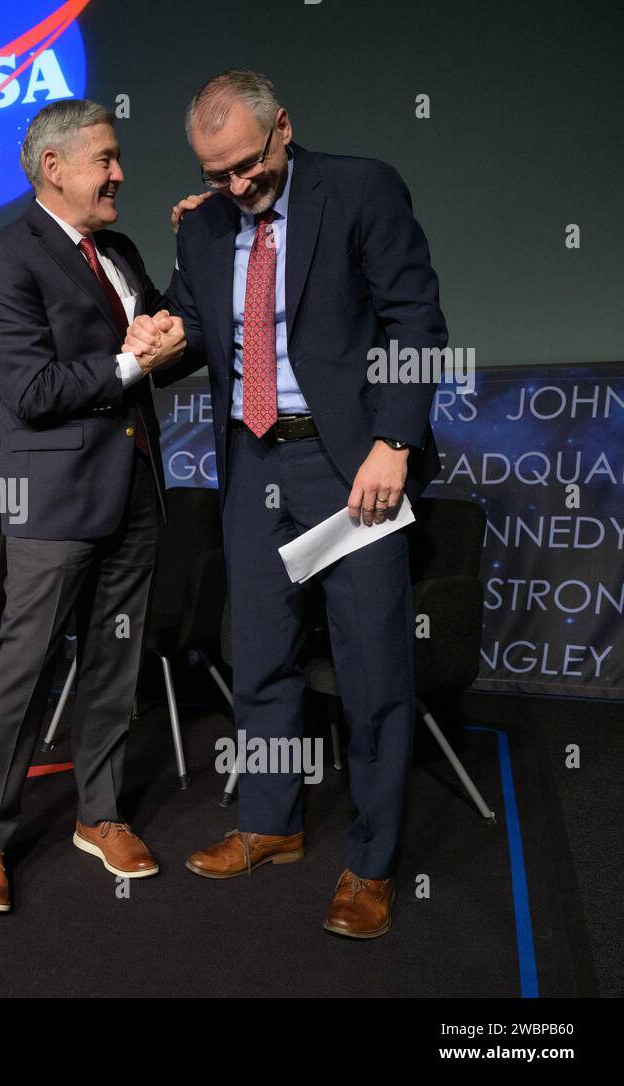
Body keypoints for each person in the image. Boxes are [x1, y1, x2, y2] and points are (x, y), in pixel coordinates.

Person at [135, 69, 447, 938]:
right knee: (262, 658)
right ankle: (272, 822)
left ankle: (373, 863)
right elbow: (198, 329)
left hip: (349, 466)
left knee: (374, 671)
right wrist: (167, 337)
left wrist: (395, 441)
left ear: (283, 131)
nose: (236, 186)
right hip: (250, 462)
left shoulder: (361, 188)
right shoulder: (204, 227)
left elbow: (416, 320)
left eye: (246, 167)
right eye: (215, 173)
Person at [0, 99, 186, 913]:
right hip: (55, 501)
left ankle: (101, 812)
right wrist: (129, 361)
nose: (120, 172)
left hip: (136, 493)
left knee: (115, 667)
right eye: (107, 159)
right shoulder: (6, 260)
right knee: (25, 668)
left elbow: (166, 347)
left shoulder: (118, 248)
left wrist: (190, 272)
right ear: (55, 168)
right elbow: (32, 391)